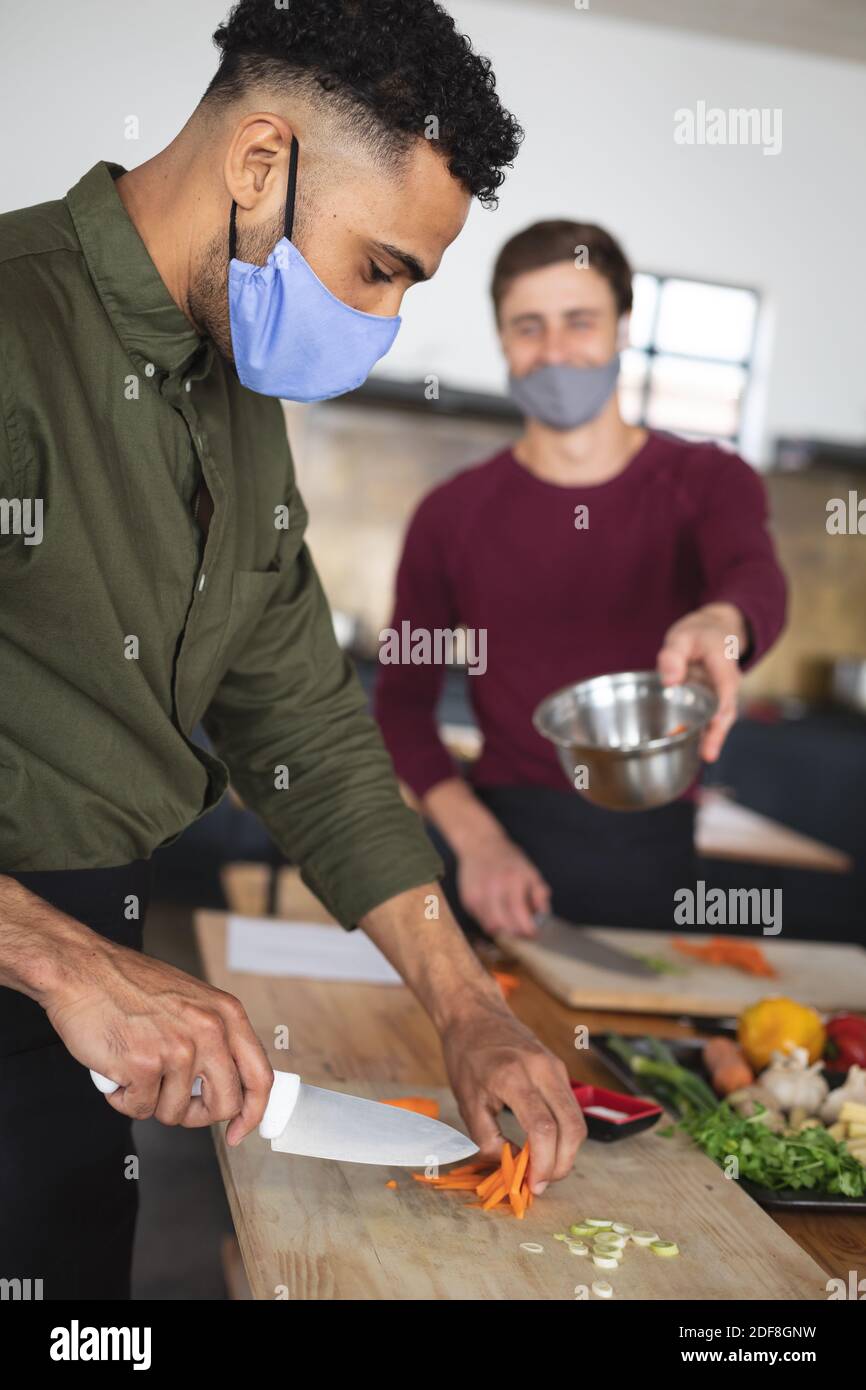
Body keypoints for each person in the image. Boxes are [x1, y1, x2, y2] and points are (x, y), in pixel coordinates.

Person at [0, 2, 585, 1300]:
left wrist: (464, 1002)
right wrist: (61, 957)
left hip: (85, 1015)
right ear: (259, 163)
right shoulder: (9, 325)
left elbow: (308, 729)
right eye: (378, 268)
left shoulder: (236, 402)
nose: (377, 320)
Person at [374, 219, 787, 941]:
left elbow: (752, 573)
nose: (556, 352)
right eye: (529, 328)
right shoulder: (452, 514)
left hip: (652, 852)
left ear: (624, 327)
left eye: (580, 322)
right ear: (502, 340)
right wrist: (478, 844)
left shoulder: (709, 482)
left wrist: (722, 622)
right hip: (496, 853)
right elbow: (403, 708)